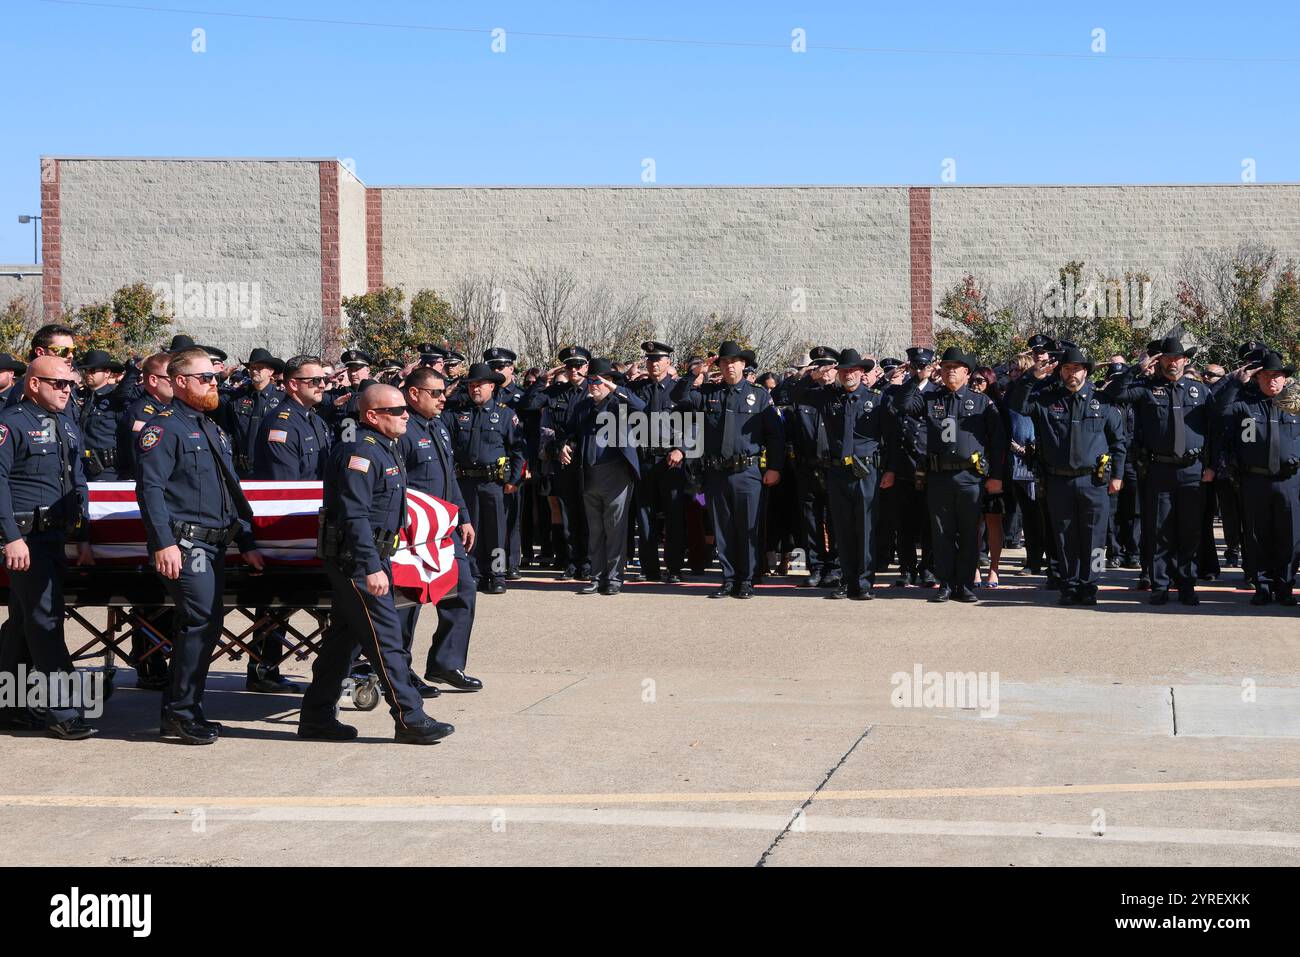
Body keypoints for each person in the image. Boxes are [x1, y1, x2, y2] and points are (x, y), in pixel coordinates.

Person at [299, 384, 455, 744]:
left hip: (370, 557)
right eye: (397, 410)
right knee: (387, 642)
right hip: (358, 562)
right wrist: (371, 566)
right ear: (372, 416)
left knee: (343, 642)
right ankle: (410, 718)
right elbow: (354, 516)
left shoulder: (386, 449)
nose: (405, 415)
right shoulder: (362, 454)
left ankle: (316, 718)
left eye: (405, 410)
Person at [135, 348, 266, 744]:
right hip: (185, 545)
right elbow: (150, 490)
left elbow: (231, 490)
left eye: (216, 377)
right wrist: (163, 543)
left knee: (206, 625)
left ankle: (185, 708)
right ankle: (179, 712)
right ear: (179, 382)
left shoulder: (211, 427)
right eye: (205, 378)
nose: (214, 383)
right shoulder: (162, 428)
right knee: (199, 622)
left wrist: (246, 539)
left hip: (214, 545)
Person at [0, 356, 96, 738]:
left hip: (55, 538)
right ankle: (64, 711)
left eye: (70, 385)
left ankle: (8, 706)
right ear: (34, 384)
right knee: (45, 621)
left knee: (24, 623)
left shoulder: (68, 424)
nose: (66, 390)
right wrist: (10, 537)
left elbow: (78, 482)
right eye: (58, 384)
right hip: (27, 540)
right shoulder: (10, 424)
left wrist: (84, 534)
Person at [1009, 347, 1127, 605]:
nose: (1071, 373)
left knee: (1095, 536)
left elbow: (1118, 442)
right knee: (1064, 536)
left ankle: (1090, 585)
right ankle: (1069, 585)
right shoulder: (1048, 400)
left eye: (1076, 369)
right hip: (1058, 480)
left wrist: (1117, 476)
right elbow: (1017, 405)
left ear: (1086, 371)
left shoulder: (1102, 401)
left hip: (1094, 481)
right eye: (1066, 369)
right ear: (1060, 371)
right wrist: (1031, 376)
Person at [1103, 337, 1216, 605]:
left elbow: (1215, 431)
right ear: (1159, 361)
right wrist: (1136, 369)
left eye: (1177, 358)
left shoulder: (1199, 392)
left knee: (1189, 531)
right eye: (1167, 358)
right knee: (1158, 530)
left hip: (1192, 469)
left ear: (1185, 361)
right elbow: (1113, 395)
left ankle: (1186, 585)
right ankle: (1160, 584)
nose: (1173, 362)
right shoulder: (1146, 389)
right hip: (1159, 469)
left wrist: (1211, 465)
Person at [671, 341, 785, 598]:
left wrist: (775, 467)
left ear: (744, 365)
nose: (729, 366)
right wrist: (695, 373)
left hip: (747, 472)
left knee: (747, 528)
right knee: (723, 529)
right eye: (724, 362)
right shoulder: (710, 393)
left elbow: (775, 436)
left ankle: (747, 579)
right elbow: (678, 397)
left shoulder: (760, 396)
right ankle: (729, 578)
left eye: (734, 362)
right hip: (716, 473)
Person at [894, 346, 1006, 603]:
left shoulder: (980, 402)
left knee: (968, 532)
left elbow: (998, 440)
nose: (950, 372)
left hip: (969, 477)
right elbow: (905, 406)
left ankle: (965, 584)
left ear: (967, 373)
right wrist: (917, 377)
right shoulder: (932, 398)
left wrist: (996, 476)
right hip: (939, 476)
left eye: (955, 368)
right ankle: (945, 583)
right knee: (941, 533)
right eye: (945, 367)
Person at [397, 366, 482, 692]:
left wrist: (463, 516)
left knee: (462, 591)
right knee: (407, 603)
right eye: (435, 393)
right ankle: (400, 672)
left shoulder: (439, 427)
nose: (443, 398)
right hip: (414, 534)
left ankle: (446, 664)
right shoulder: (402, 430)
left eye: (444, 392)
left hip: (445, 530)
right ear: (414, 394)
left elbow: (449, 476)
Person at [787, 349, 896, 599]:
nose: (848, 374)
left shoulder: (876, 399)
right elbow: (795, 396)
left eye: (853, 370)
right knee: (843, 530)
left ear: (861, 372)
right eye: (844, 370)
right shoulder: (827, 397)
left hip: (866, 470)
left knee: (866, 528)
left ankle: (865, 582)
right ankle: (847, 580)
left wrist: (890, 470)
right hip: (837, 471)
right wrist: (812, 376)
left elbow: (891, 438)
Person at [1216, 350, 1300, 605]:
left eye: (1277, 376)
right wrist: (1233, 382)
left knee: (1290, 537)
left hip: (1289, 481)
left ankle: (1284, 587)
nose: (1272, 381)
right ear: (1257, 378)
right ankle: (1262, 586)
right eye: (1266, 376)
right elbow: (1220, 410)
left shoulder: (1295, 408)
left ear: (1285, 380)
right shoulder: (1245, 406)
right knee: (1256, 536)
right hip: (1255, 481)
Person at [561, 357, 646, 595]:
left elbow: (642, 408)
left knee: (615, 528)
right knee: (595, 530)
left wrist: (616, 388)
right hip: (589, 473)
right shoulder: (583, 406)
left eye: (598, 381)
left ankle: (615, 578)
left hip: (616, 473)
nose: (593, 385)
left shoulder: (621, 404)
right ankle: (597, 577)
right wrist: (564, 445)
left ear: (609, 382)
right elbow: (570, 432)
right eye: (590, 381)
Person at [445, 362, 527, 594]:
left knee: (496, 530)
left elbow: (519, 450)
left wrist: (514, 480)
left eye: (480, 385)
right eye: (471, 385)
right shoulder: (457, 414)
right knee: (470, 530)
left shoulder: (505, 414)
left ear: (491, 386)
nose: (475, 389)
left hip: (495, 483)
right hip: (465, 483)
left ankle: (497, 574)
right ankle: (474, 573)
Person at [521, 346, 592, 580]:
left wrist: (570, 446)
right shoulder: (556, 392)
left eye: (578, 365)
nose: (574, 370)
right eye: (569, 366)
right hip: (561, 461)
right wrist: (543, 380)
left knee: (587, 513)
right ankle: (572, 562)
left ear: (586, 366)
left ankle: (588, 562)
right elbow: (530, 405)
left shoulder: (593, 389)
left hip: (585, 459)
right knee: (568, 513)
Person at [773, 347, 841, 589]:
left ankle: (835, 567)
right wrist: (809, 377)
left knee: (835, 520)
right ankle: (816, 567)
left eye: (830, 367)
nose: (825, 373)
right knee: (810, 521)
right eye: (820, 367)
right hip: (807, 467)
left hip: (834, 467)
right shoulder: (805, 394)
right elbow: (784, 393)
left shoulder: (840, 393)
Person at [627, 341, 688, 583]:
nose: (653, 364)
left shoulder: (677, 389)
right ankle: (649, 568)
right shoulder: (639, 389)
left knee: (674, 516)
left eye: (658, 359)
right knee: (644, 516)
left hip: (670, 460)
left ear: (668, 362)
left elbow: (695, 422)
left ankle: (673, 568)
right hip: (644, 459)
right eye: (649, 360)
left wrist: (681, 448)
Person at [221, 348, 284, 478]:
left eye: (259, 367)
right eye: (252, 367)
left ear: (270, 372)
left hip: (272, 468)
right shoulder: (237, 397)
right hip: (242, 468)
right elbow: (212, 395)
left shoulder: (282, 399)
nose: (254, 370)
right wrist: (221, 377)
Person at [75, 350, 128, 480]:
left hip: (108, 469)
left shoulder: (116, 398)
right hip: (83, 466)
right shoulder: (82, 396)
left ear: (107, 373)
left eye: (93, 370)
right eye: (86, 370)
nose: (88, 374)